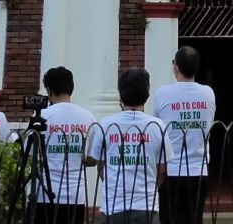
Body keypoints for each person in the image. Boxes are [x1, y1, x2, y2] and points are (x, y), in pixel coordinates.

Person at [85, 67, 166, 224]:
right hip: (147, 207)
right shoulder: (158, 126)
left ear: (120, 95)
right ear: (147, 95)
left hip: (112, 206)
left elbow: (100, 165)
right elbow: (162, 169)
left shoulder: (106, 125)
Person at [153, 46, 217, 224]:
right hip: (199, 170)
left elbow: (156, 128)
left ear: (176, 68)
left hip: (170, 171)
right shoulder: (208, 94)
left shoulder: (163, 93)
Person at [32, 66, 96, 224]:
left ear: (48, 90)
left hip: (44, 194)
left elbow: (32, 153)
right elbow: (94, 158)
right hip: (75, 196)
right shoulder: (88, 117)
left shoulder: (42, 116)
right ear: (71, 88)